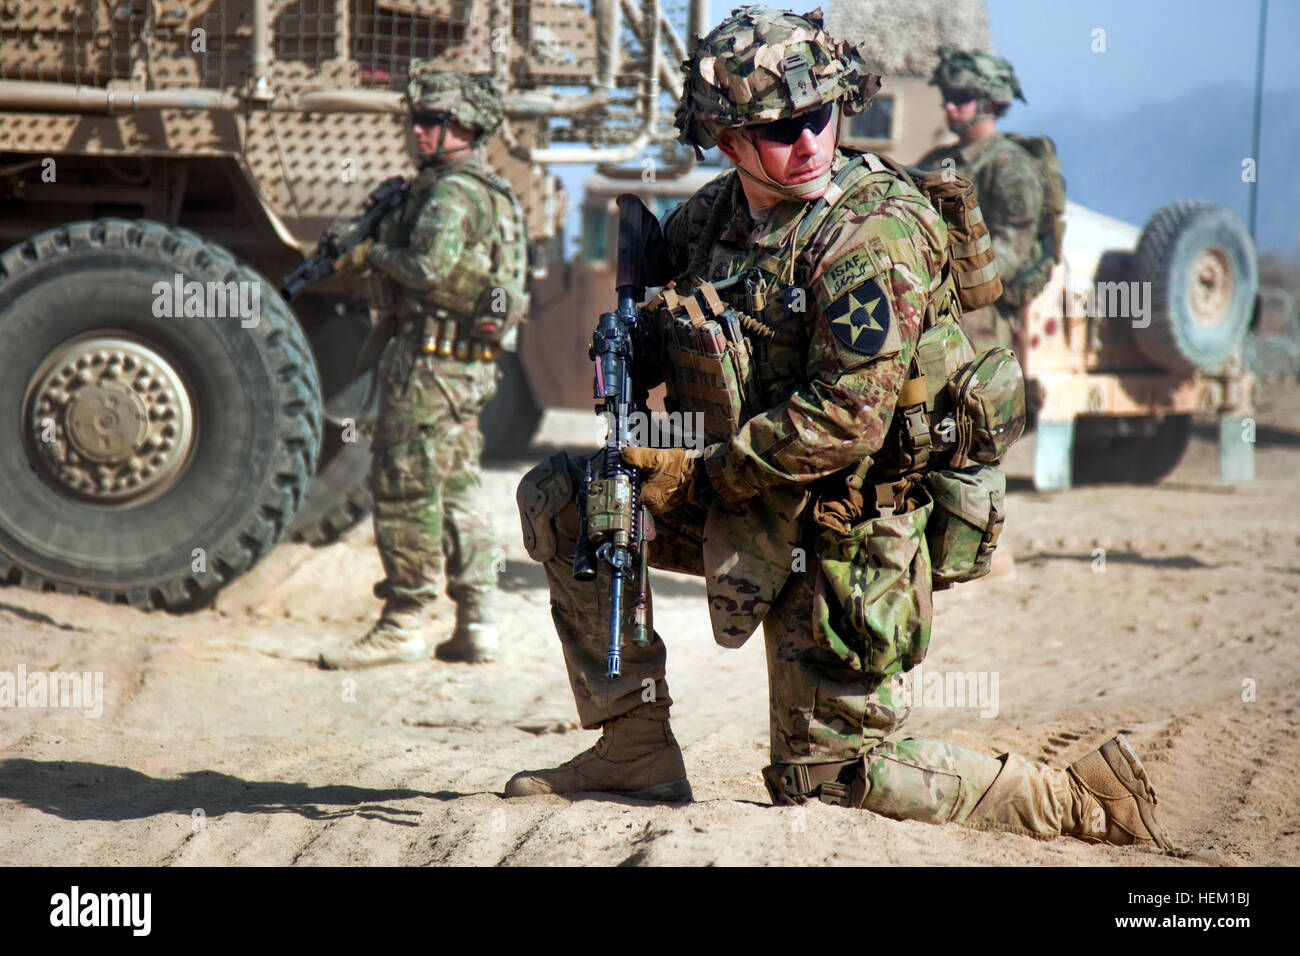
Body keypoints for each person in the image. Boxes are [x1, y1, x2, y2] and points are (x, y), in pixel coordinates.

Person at [505, 7, 1171, 850]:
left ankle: (1077, 800)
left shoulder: (870, 232)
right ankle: (632, 746)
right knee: (571, 495)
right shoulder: (710, 222)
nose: (811, 140)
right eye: (782, 128)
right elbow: (673, 329)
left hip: (848, 526)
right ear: (729, 140)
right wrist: (635, 367)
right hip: (750, 500)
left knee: (829, 784)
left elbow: (846, 419)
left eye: (823, 114)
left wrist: (700, 476)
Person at [320, 65, 529, 669]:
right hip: (465, 366)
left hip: (429, 366)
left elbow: (427, 270)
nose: (418, 131)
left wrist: (369, 253)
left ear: (466, 128)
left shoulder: (448, 192)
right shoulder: (491, 190)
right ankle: (476, 621)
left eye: (433, 121)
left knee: (405, 483)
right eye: (416, 119)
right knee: (459, 485)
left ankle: (404, 620)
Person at [915, 46, 1047, 354]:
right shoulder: (936, 161)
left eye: (961, 99)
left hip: (976, 316)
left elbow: (1011, 250)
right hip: (926, 305)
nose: (949, 106)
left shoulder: (1011, 167)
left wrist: (950, 284)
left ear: (989, 103)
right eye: (947, 97)